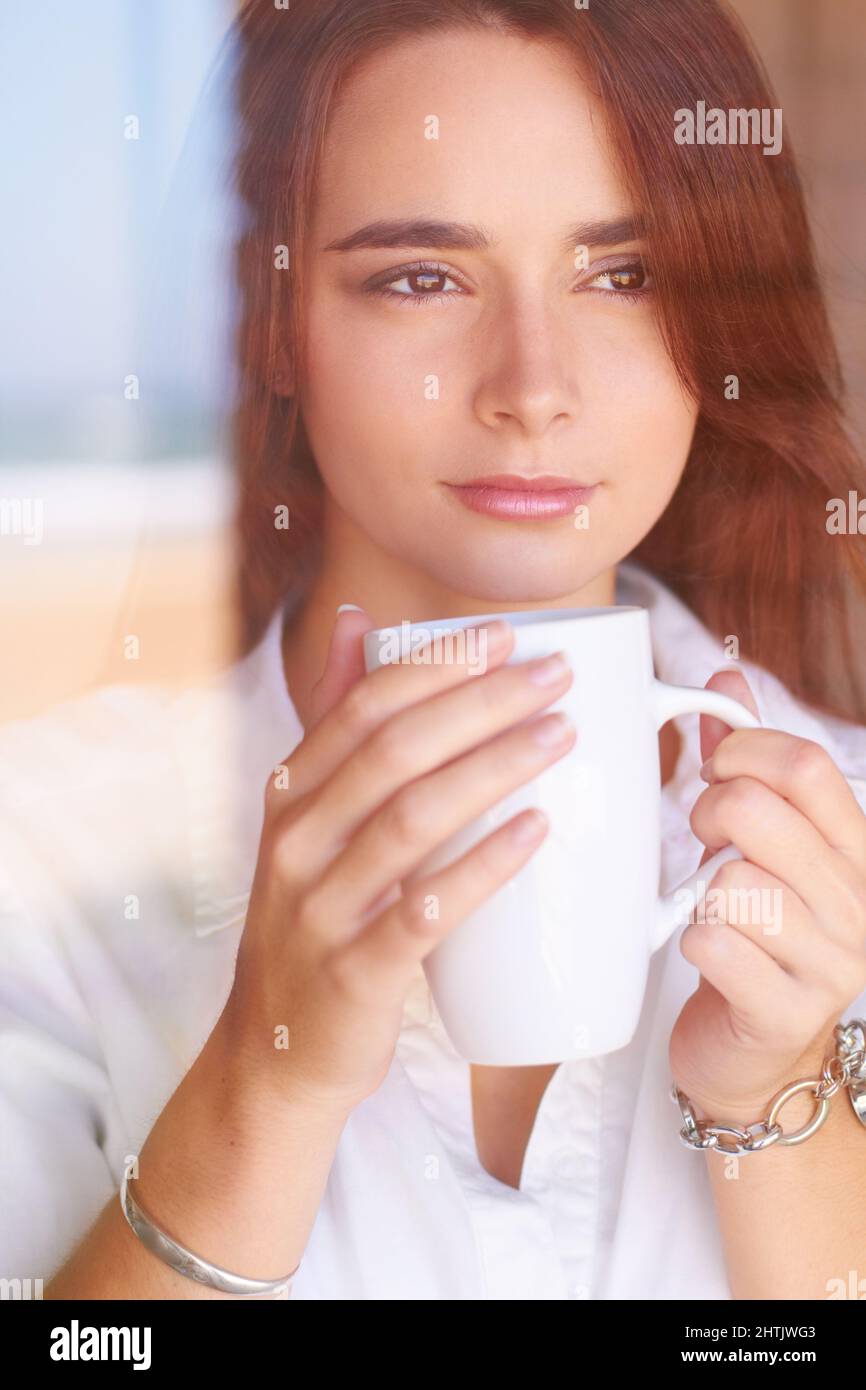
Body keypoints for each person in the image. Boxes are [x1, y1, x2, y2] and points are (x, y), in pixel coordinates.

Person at [2, 0, 866, 1301]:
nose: (531, 383)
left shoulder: (837, 823)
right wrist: (266, 1085)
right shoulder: (49, 853)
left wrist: (777, 1098)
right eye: (419, 275)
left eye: (621, 273)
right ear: (274, 321)